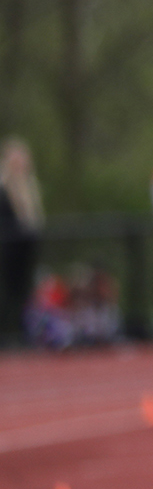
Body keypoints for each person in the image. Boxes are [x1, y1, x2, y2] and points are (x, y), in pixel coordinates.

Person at [1, 137, 45, 347]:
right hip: (8, 248)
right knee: (8, 292)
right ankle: (7, 334)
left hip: (26, 249)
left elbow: (33, 220)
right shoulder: (3, 187)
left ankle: (23, 333)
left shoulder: (30, 185)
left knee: (24, 292)